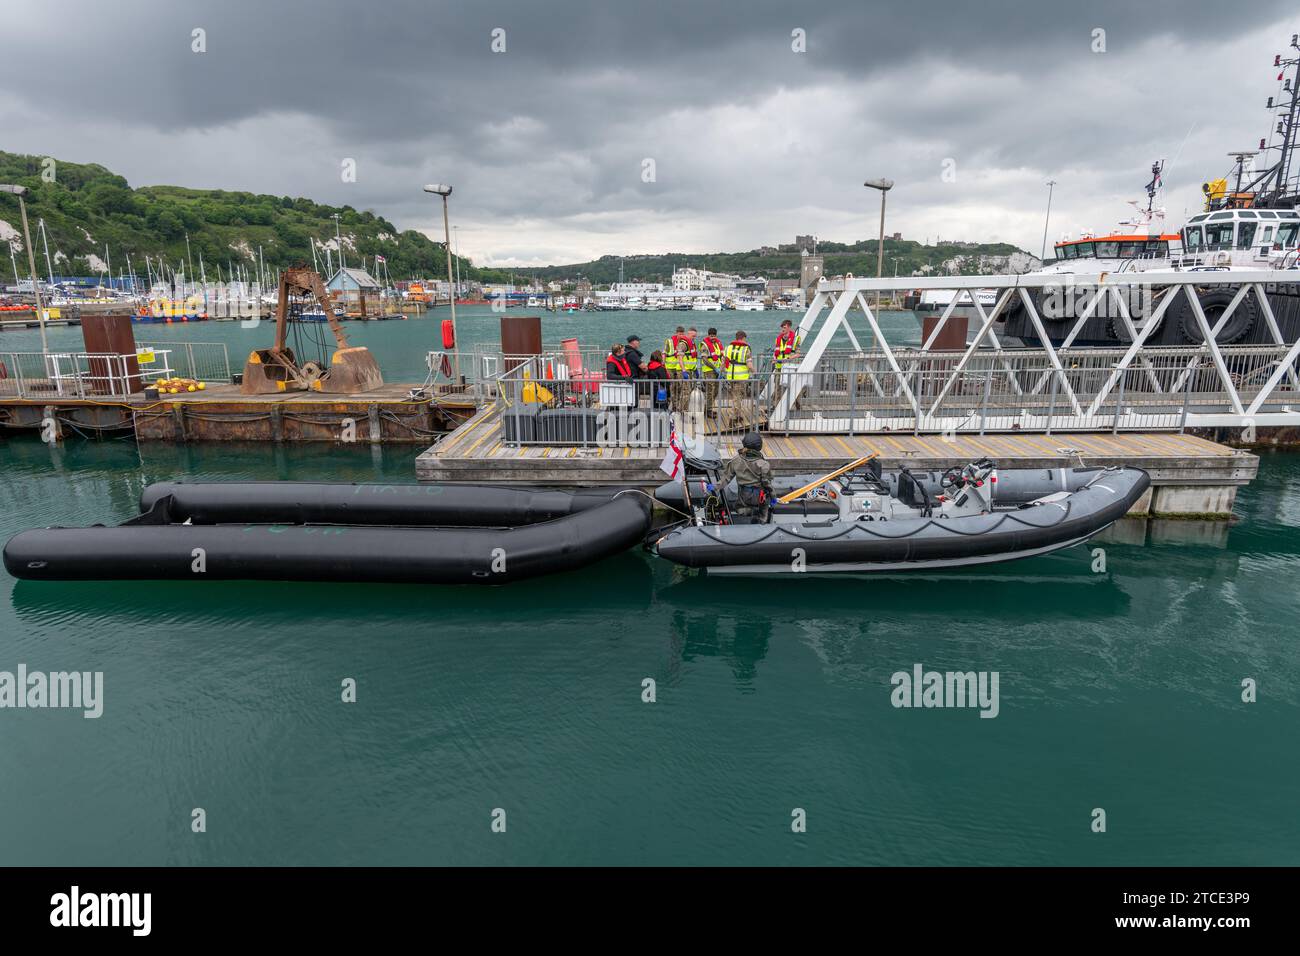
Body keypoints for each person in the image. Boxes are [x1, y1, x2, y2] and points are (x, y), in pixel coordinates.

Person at [722, 432, 773, 521]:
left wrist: (715, 487)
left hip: (743, 496)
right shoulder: (764, 464)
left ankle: (744, 511)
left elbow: (726, 478)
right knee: (766, 501)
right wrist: (773, 497)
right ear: (759, 447)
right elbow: (768, 484)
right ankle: (763, 519)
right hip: (759, 498)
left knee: (740, 506)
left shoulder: (736, 460)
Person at [723, 330, 756, 430]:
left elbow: (723, 362)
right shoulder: (746, 349)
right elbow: (749, 364)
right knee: (737, 398)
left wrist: (721, 372)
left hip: (730, 377)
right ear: (743, 338)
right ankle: (732, 419)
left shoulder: (728, 348)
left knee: (736, 397)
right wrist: (755, 372)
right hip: (740, 378)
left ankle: (738, 416)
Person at [772, 318, 802, 407]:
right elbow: (775, 352)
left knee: (794, 385)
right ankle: (775, 406)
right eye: (782, 327)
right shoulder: (778, 339)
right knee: (777, 387)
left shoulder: (796, 339)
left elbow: (798, 354)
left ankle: (798, 404)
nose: (782, 329)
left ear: (789, 328)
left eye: (784, 327)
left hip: (790, 367)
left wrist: (788, 358)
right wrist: (774, 359)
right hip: (779, 366)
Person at [699, 326, 724, 413]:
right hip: (709, 371)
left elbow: (722, 357)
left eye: (714, 336)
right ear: (708, 335)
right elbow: (705, 360)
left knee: (716, 391)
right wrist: (714, 368)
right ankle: (708, 410)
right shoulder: (704, 345)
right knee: (710, 391)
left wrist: (721, 370)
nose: (713, 338)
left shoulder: (718, 344)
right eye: (711, 336)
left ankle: (708, 408)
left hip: (718, 371)